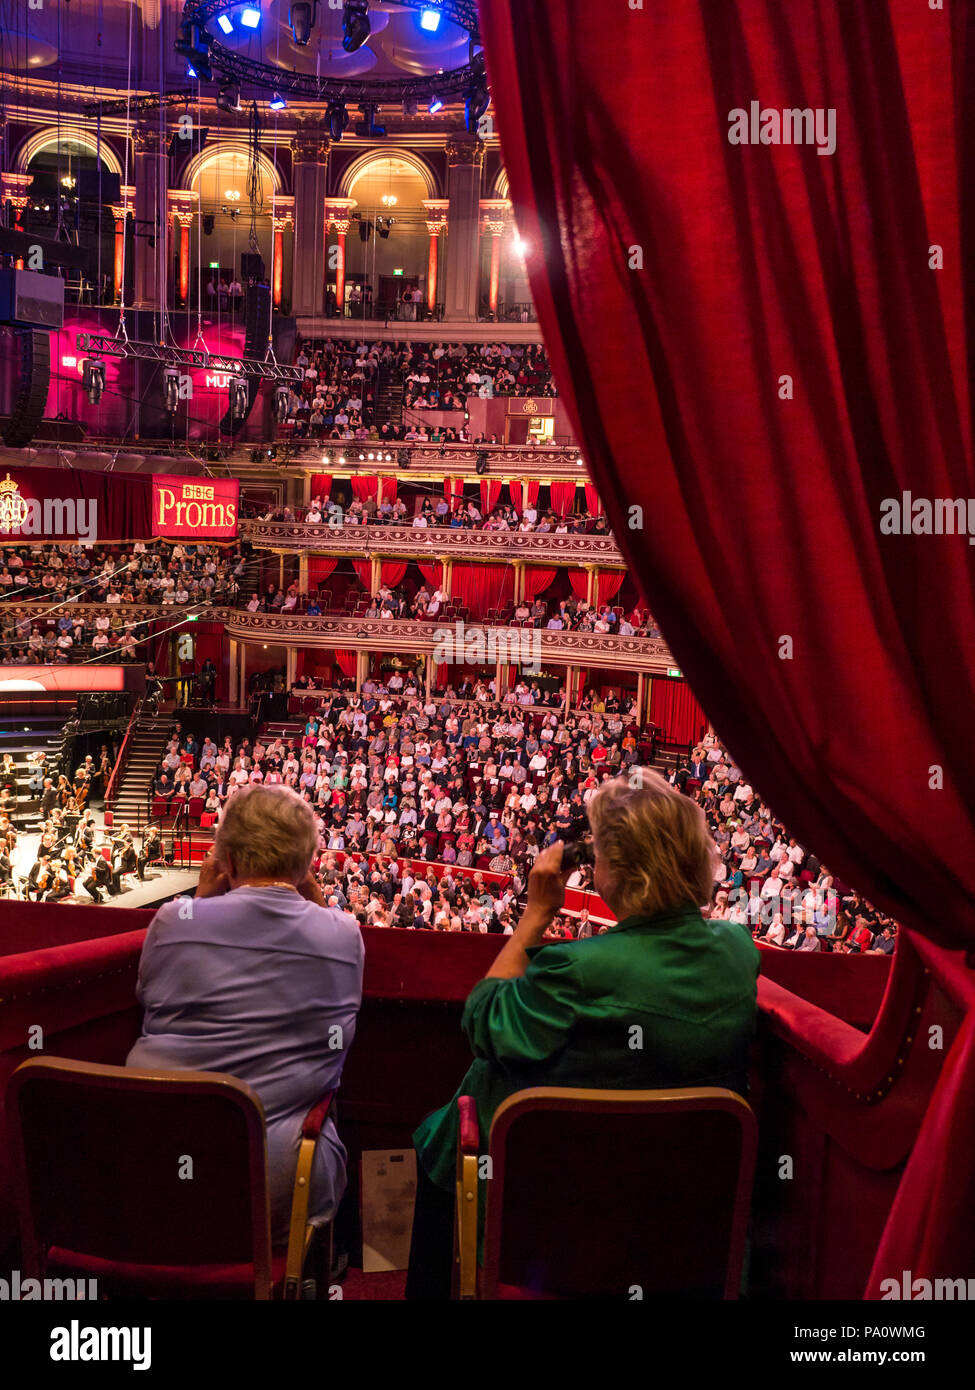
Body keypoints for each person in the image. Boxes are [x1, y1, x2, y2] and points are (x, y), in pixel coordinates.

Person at [406, 767, 760, 1298]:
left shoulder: (574, 969)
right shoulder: (737, 951)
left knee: (452, 1125)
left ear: (617, 868)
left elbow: (483, 1020)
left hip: (556, 1215)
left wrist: (536, 913)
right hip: (676, 1225)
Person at [126, 784, 364, 1244]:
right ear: (308, 864)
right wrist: (308, 890)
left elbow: (149, 995)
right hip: (275, 1192)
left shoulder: (174, 921)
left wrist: (199, 898)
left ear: (227, 860)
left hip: (147, 1173)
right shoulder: (344, 934)